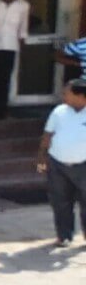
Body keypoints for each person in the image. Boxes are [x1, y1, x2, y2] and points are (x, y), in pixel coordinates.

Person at [35, 80, 86, 247]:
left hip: (83, 165)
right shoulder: (59, 111)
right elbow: (47, 135)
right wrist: (41, 158)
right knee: (60, 201)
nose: (63, 96)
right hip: (57, 164)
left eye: (67, 93)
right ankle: (64, 236)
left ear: (80, 96)